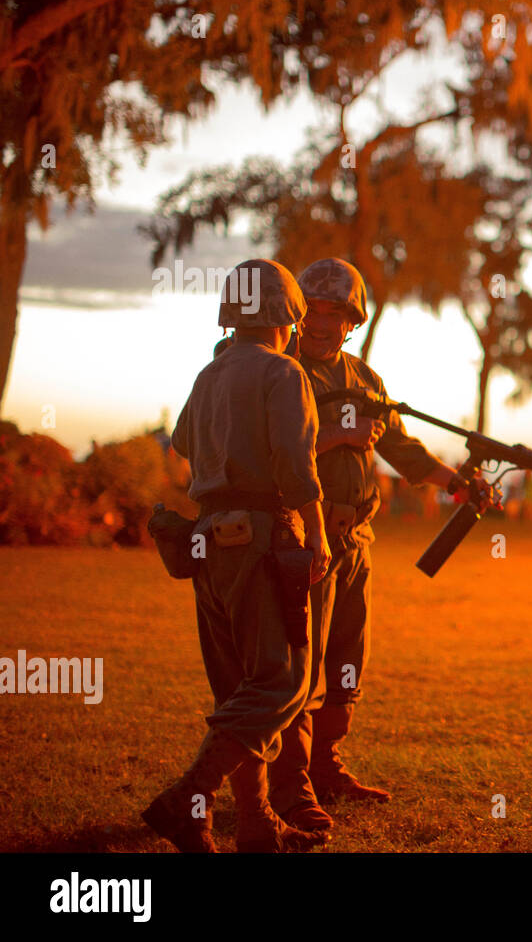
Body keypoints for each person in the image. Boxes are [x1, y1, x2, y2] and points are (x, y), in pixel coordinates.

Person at [271, 257, 499, 831]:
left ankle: (327, 767)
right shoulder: (278, 372)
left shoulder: (366, 380)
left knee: (347, 660)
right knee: (302, 664)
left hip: (356, 540)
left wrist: (457, 484)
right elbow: (265, 456)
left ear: (353, 321)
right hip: (301, 538)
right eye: (313, 311)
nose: (321, 323)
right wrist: (336, 436)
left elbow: (401, 448)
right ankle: (291, 787)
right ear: (298, 314)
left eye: (335, 313)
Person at [142, 259, 332, 854]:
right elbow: (298, 473)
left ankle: (252, 824)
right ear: (288, 315)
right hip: (261, 533)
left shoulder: (209, 374)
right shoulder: (284, 372)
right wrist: (319, 538)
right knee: (283, 682)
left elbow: (182, 444)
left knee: (235, 690)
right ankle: (184, 800)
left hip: (206, 537)